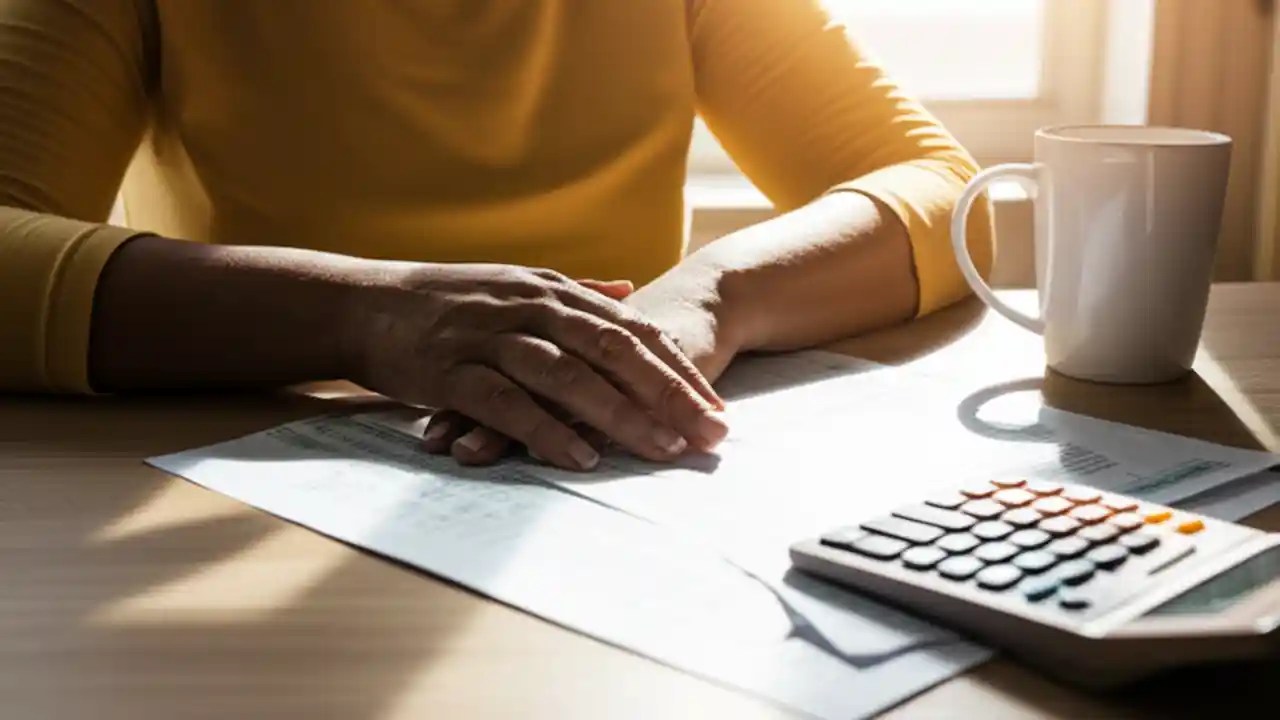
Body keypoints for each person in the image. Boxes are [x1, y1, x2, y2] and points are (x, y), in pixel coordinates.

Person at [0, 0, 992, 471]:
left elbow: (952, 194)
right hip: (241, 482)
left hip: (588, 473)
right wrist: (364, 316)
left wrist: (708, 293)